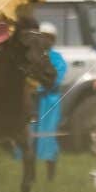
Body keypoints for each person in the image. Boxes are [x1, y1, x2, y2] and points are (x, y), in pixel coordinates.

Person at [31, 21, 67, 181]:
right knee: (30, 137)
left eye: (48, 37)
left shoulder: (57, 59)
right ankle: (30, 174)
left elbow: (55, 80)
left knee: (49, 138)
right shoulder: (32, 56)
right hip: (32, 104)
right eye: (42, 37)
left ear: (53, 40)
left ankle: (50, 177)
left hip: (50, 104)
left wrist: (36, 87)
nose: (44, 41)